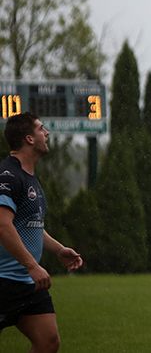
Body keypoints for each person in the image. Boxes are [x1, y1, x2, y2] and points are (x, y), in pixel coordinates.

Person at [0, 113, 83, 353]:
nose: (46, 133)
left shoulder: (30, 178)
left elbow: (31, 225)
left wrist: (59, 249)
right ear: (29, 138)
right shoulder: (8, 175)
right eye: (41, 129)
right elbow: (3, 225)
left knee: (48, 342)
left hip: (28, 284)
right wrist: (32, 265)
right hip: (4, 282)